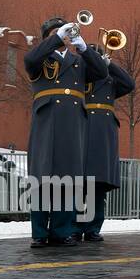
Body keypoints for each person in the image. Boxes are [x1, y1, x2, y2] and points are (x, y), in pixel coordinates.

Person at [23, 17, 107, 247]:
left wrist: (83, 47)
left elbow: (101, 72)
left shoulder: (78, 61)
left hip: (72, 124)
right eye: (56, 34)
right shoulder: (40, 58)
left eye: (64, 33)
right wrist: (57, 37)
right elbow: (29, 58)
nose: (62, 37)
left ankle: (62, 230)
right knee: (43, 178)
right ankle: (40, 232)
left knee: (67, 179)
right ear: (47, 38)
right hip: (47, 121)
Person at [76, 40, 134, 242]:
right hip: (83, 125)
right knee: (79, 182)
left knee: (98, 184)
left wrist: (109, 65)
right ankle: (75, 226)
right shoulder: (79, 74)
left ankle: (93, 228)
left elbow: (129, 84)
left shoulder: (109, 76)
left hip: (104, 131)